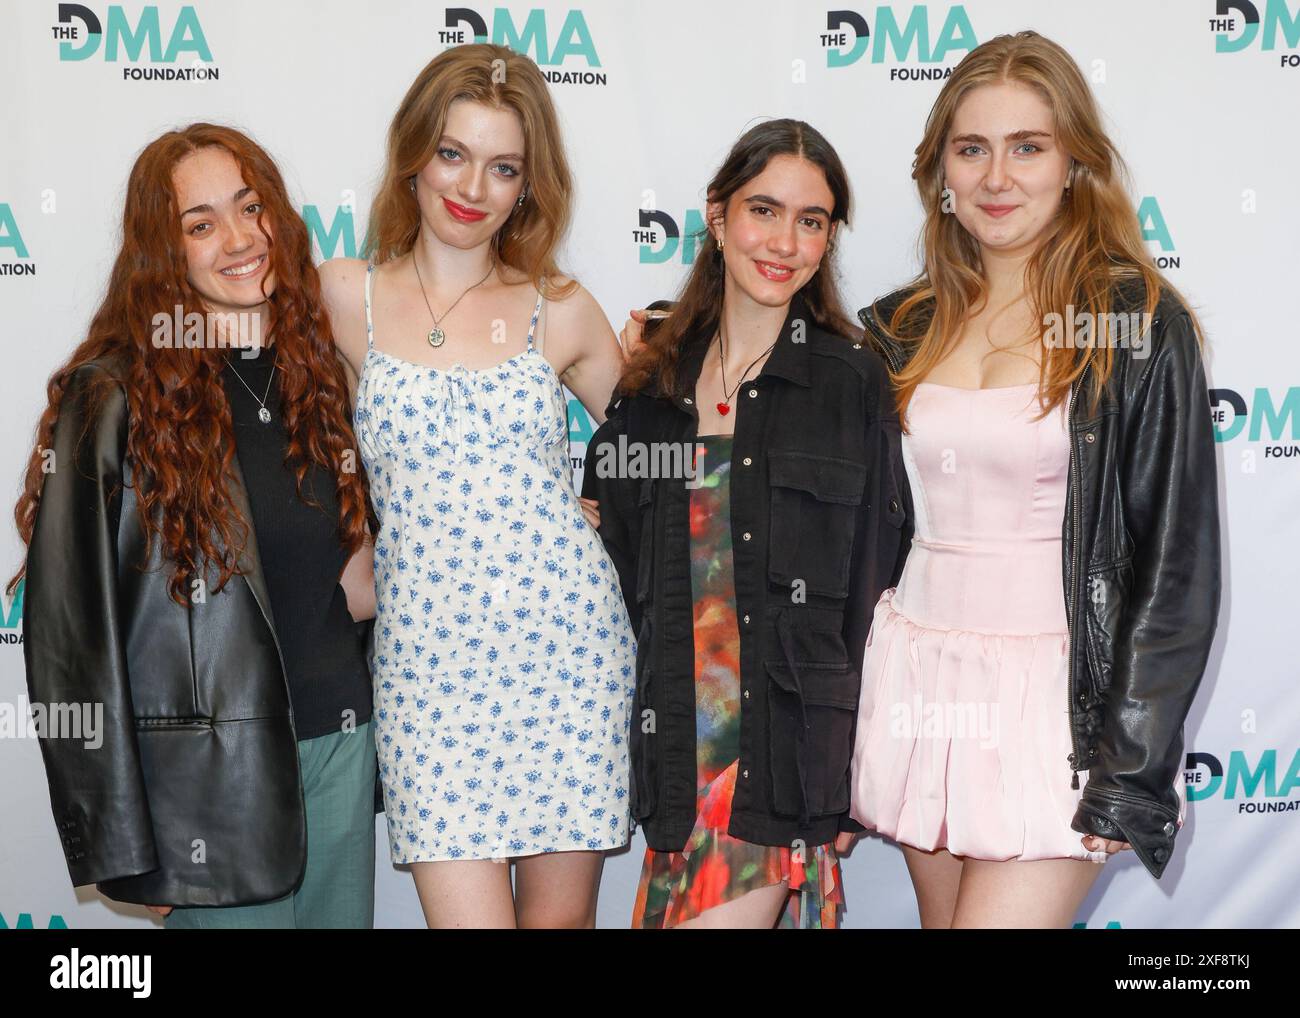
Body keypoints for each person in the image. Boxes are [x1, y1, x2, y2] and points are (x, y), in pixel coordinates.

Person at [846, 31, 1220, 928]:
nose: (996, 176)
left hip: (1061, 705)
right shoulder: (902, 323)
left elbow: (1175, 566)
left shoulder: (1136, 322)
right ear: (940, 169)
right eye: (971, 148)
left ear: (1074, 165)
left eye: (1028, 146)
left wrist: (1129, 773)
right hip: (922, 674)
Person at [11, 123, 381, 928]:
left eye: (253, 209)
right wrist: (125, 841)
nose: (241, 240)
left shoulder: (318, 376)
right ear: (162, 250)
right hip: (212, 791)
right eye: (202, 223)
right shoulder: (113, 398)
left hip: (342, 750)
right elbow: (70, 639)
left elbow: (354, 585)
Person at [319, 43, 635, 929]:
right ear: (414, 153)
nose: (472, 188)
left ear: (529, 186)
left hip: (567, 658)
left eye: (504, 168)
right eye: (453, 154)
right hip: (428, 666)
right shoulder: (346, 297)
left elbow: (654, 450)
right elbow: (296, 449)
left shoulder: (561, 306)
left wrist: (589, 511)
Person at [583, 119, 908, 928]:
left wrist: (841, 781)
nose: (785, 241)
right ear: (718, 217)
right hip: (672, 762)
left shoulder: (852, 382)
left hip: (781, 763)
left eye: (812, 220)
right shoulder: (654, 385)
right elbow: (616, 566)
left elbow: (878, 590)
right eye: (763, 210)